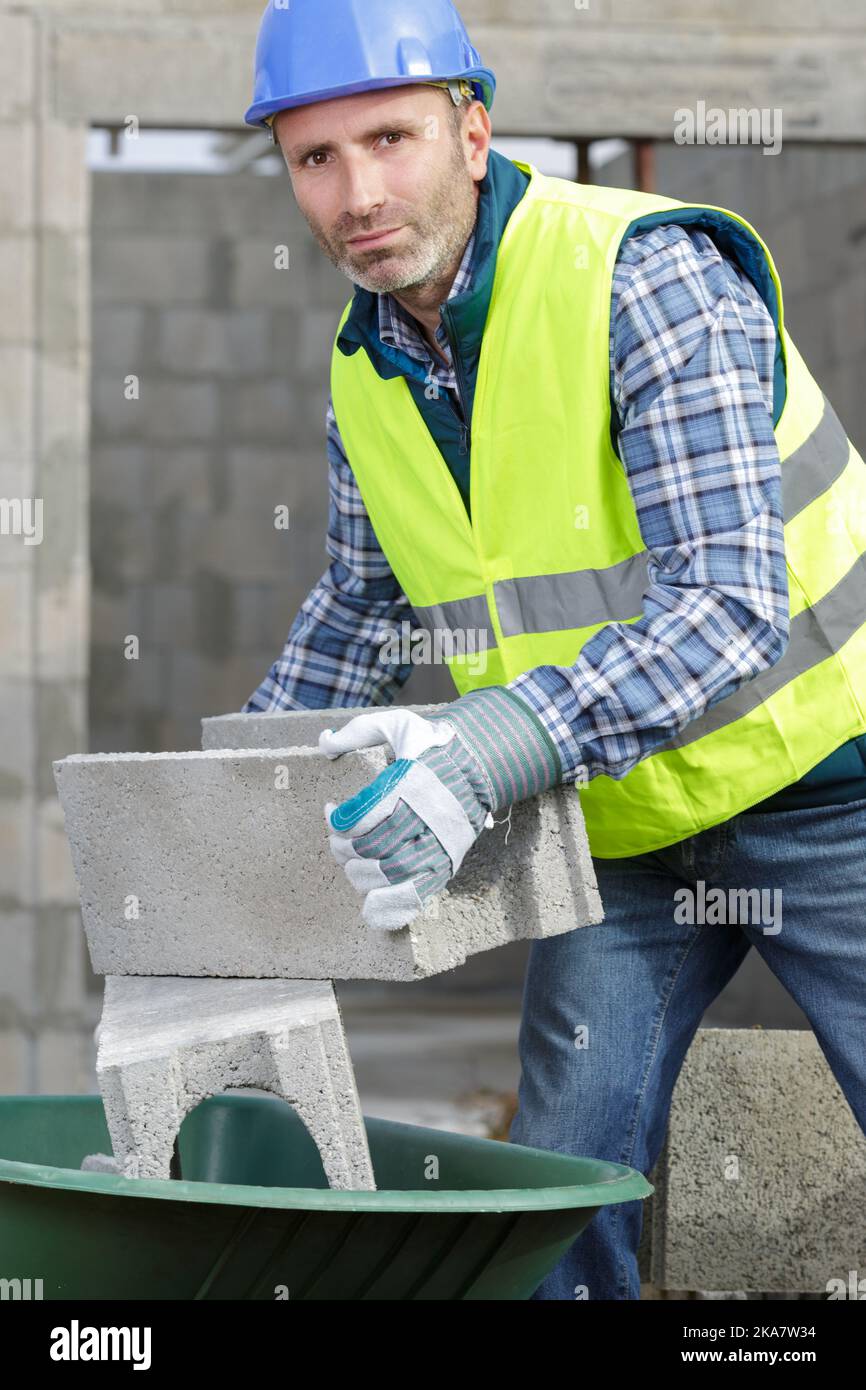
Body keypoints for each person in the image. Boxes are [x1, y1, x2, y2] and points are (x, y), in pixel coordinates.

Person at [241, 0, 866, 1297]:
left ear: (472, 132)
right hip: (621, 823)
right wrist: (241, 808)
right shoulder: (368, 367)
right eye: (316, 158)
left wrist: (479, 753)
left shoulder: (640, 274)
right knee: (562, 1181)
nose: (357, 193)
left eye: (390, 138)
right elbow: (365, 605)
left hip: (831, 785)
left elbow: (728, 600)